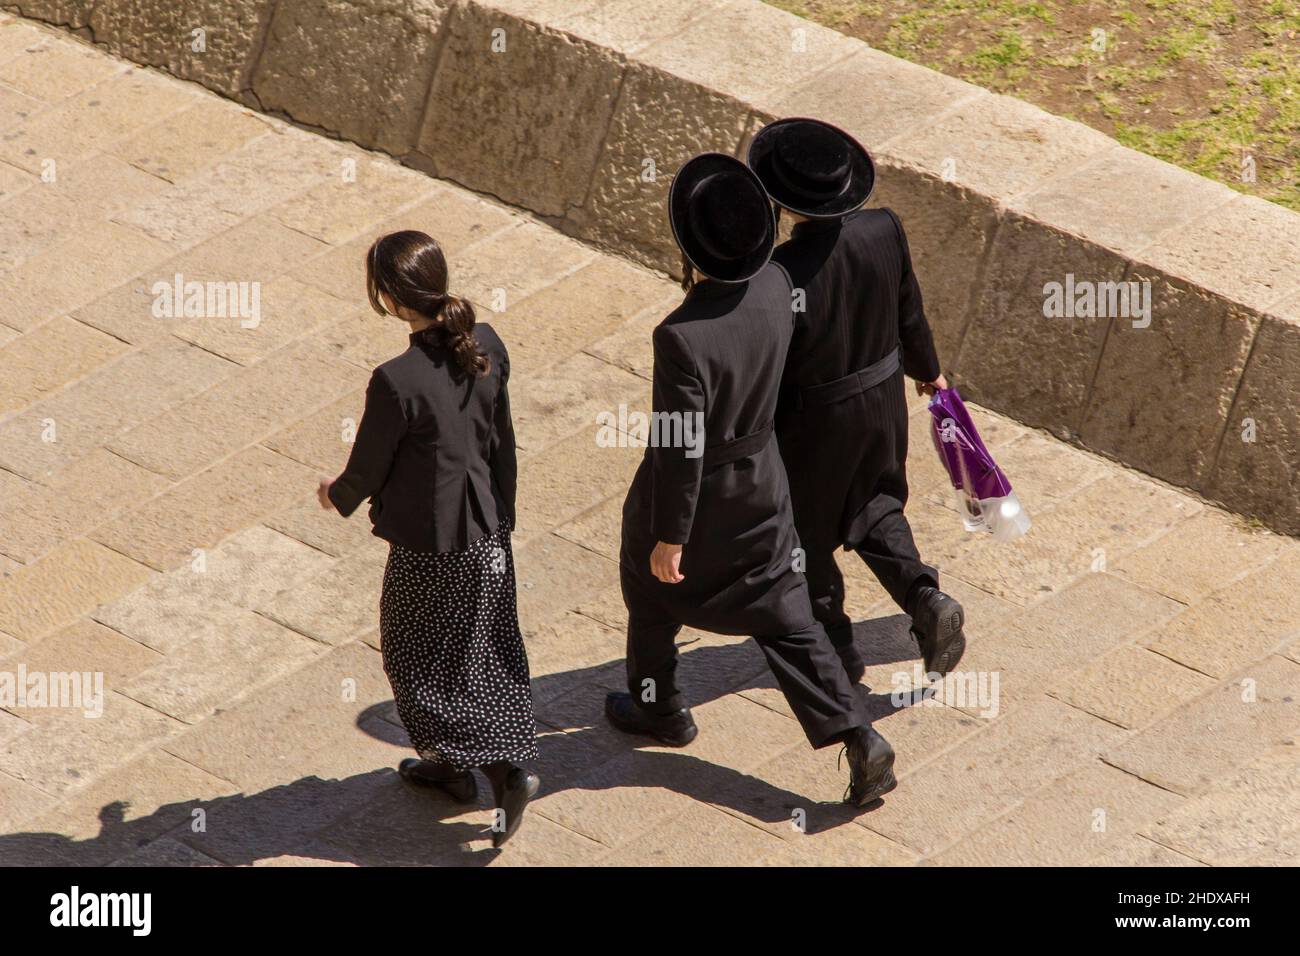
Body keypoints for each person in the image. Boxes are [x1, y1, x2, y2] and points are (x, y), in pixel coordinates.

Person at [606, 153, 896, 806]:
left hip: (701, 498)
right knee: (787, 613)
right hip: (764, 486)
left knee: (648, 590)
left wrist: (669, 535)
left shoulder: (679, 336)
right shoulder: (774, 285)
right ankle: (857, 735)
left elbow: (680, 447)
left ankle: (661, 707)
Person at [317, 230, 539, 848]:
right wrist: (507, 517)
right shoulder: (486, 343)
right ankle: (450, 769)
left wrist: (335, 494)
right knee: (484, 648)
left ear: (390, 298)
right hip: (490, 528)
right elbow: (503, 440)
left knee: (417, 657)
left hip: (433, 544)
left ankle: (502, 770)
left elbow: (368, 466)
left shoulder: (396, 379)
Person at [748, 117, 967, 685]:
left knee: (805, 535)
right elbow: (908, 309)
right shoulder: (883, 230)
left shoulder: (778, 273)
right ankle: (924, 596)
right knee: (877, 508)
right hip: (882, 404)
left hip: (815, 425)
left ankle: (838, 651)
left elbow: (769, 364)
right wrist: (929, 371)